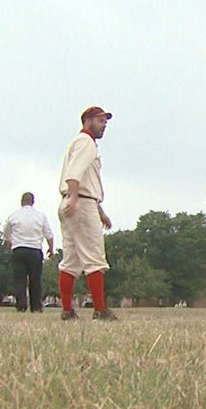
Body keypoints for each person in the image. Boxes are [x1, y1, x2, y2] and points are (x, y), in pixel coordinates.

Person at [57, 106, 119, 322]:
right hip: (80, 202)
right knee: (95, 258)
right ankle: (100, 310)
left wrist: (99, 211)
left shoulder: (77, 142)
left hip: (73, 201)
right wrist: (75, 198)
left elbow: (84, 179)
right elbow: (74, 173)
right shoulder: (86, 142)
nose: (104, 126)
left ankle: (67, 310)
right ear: (87, 121)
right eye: (100, 121)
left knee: (71, 260)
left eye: (105, 122)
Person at [3, 192, 55, 313]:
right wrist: (51, 249)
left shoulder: (14, 216)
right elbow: (49, 234)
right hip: (35, 250)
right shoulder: (40, 216)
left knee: (19, 279)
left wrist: (9, 244)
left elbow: (6, 234)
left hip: (19, 249)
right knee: (35, 279)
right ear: (33, 202)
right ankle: (36, 306)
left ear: (21, 202)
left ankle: (21, 304)